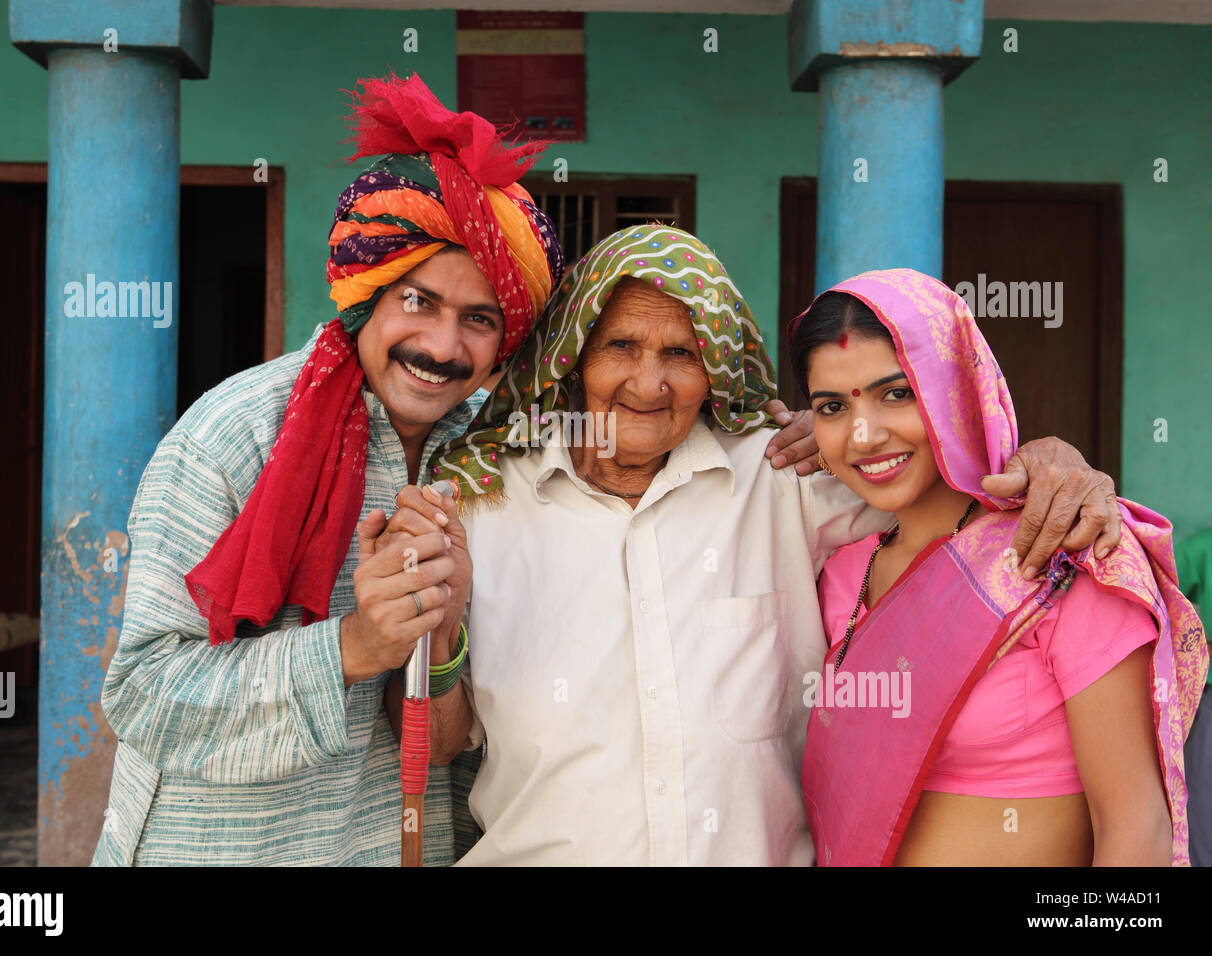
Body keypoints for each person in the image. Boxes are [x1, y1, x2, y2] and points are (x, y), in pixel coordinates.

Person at [379, 225, 1122, 865]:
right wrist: (437, 640)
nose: (648, 382)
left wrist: (1051, 460)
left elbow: (948, 494)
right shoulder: (480, 503)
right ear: (574, 358)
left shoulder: (784, 478)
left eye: (682, 352)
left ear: (716, 370)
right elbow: (438, 745)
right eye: (622, 346)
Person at [90, 73, 574, 865]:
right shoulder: (233, 437)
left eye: (479, 319)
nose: (444, 348)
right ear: (368, 294)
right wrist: (355, 645)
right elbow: (143, 697)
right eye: (418, 302)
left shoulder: (488, 455)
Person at [790, 269, 1207, 866]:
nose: (865, 435)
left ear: (955, 388)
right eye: (833, 406)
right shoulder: (840, 574)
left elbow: (1134, 829)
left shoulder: (1060, 556)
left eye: (897, 393)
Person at [1175, 528, 1212, 865]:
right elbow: (1163, 599)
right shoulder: (1202, 548)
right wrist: (1197, 643)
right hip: (1210, 693)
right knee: (1204, 796)